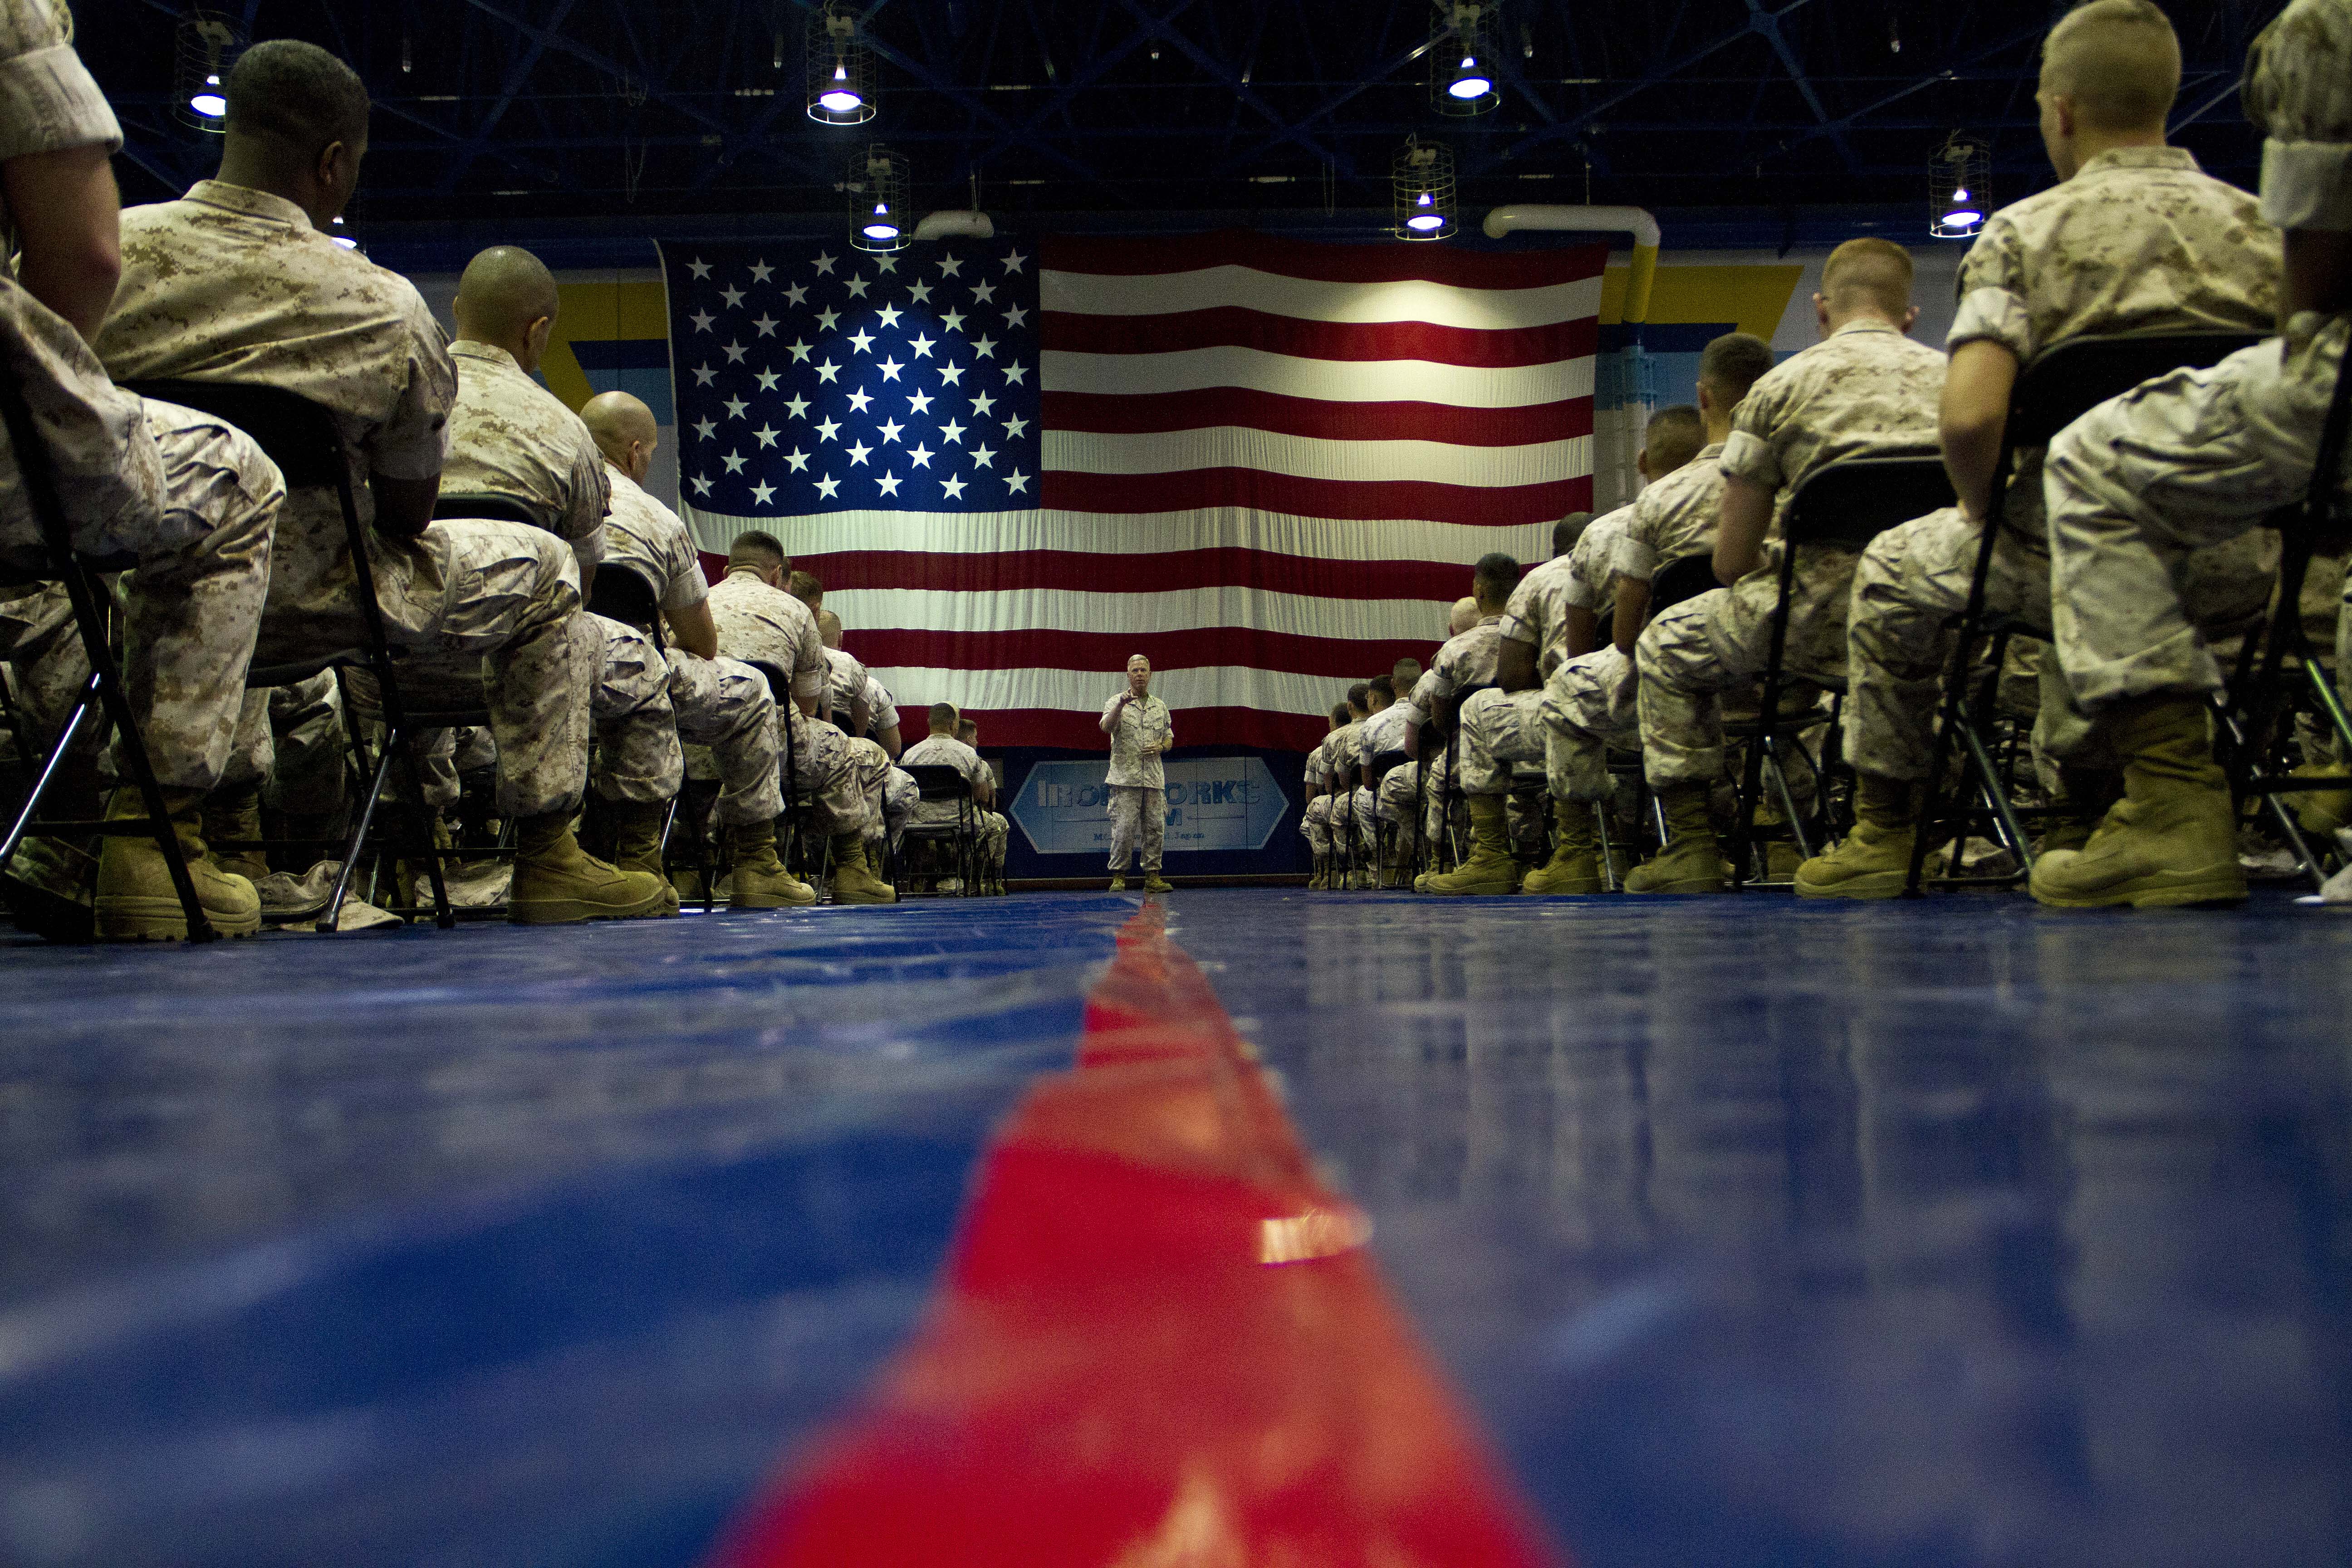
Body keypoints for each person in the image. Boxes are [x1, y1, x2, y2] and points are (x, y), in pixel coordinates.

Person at [1797, 0, 2283, 900]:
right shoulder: (2263, 229)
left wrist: (1986, 518)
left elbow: (1971, 421)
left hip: (2068, 555)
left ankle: (1885, 834)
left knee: (1895, 568)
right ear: (2169, 97)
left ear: (2059, 111)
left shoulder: (2025, 236)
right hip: (2249, 564)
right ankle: (2109, 810)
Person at [2026, 0, 2352, 908]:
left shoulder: (2327, 34)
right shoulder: (2241, 222)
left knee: (2087, 465)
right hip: (2270, 577)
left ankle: (2170, 808)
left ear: (2059, 112)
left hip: (2160, 551)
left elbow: (2319, 283)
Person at [0, 0, 283, 941]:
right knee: (237, 481)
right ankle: (145, 841)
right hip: (322, 632)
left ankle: (62, 829)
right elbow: (81, 256)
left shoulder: (160, 245)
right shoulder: (388, 308)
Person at [1627, 238, 1946, 893]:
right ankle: (1934, 829)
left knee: (1663, 645)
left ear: (1821, 309)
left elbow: (1733, 560)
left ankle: (1691, 847)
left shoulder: (1776, 391)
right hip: (1939, 614)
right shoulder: (1953, 380)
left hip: (1810, 619)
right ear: (1909, 316)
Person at [1537, 335, 1779, 894]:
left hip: (1680, 680)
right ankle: (1789, 839)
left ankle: (1600, 853)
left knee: (1570, 685)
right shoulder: (1793, 477)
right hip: (1787, 675)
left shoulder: (1658, 502)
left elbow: (1623, 637)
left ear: (1704, 398)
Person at [1461, 405, 1716, 896]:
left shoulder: (1601, 539)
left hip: (1636, 707)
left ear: (1643, 461)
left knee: (1554, 694)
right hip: (1754, 694)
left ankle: (1572, 852)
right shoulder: (1753, 497)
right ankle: (1782, 835)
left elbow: (1534, 670)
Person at [580, 391, 813, 907]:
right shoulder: (653, 516)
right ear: (636, 452)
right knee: (749, 689)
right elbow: (703, 644)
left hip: (516, 668)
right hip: (616, 672)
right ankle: (747, 863)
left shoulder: (541, 490)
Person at [704, 530, 896, 903]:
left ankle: (705, 868)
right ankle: (852, 870)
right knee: (839, 747)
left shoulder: (701, 599)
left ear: (728, 569)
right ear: (777, 575)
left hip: (696, 751)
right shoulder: (792, 610)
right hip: (768, 749)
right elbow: (807, 708)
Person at [441, 246, 608, 587]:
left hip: (391, 626)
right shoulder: (569, 432)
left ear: (457, 310)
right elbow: (583, 583)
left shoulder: (390, 400)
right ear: (537, 330)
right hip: (521, 634)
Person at [1416, 553, 1523, 894]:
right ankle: (1530, 857)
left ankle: (1441, 863)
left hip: (1469, 759)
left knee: (1437, 783)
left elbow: (1442, 719)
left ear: (1478, 591)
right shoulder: (1531, 640)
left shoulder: (1453, 651)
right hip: (1532, 754)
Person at [902, 702, 1004, 893]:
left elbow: (905, 794)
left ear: (929, 723)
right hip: (960, 822)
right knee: (994, 827)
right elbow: (982, 796)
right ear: (953, 725)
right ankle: (975, 883)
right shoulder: (968, 754)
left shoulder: (910, 755)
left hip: (919, 823)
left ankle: (924, 881)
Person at [1099, 652, 1173, 892]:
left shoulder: (1159, 706)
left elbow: (1169, 737)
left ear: (1150, 675)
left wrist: (1161, 747)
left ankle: (1153, 877)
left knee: (1155, 828)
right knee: (1124, 829)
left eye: (1144, 670)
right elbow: (1106, 727)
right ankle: (1119, 877)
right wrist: (1121, 705)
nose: (1140, 674)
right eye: (1135, 671)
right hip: (1125, 778)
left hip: (1153, 779)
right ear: (1128, 675)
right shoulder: (1116, 702)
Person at [956, 716, 1010, 893]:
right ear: (970, 740)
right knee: (996, 824)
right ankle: (984, 880)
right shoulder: (978, 762)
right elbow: (988, 800)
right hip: (964, 820)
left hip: (924, 822)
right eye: (976, 738)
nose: (978, 742)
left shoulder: (914, 755)